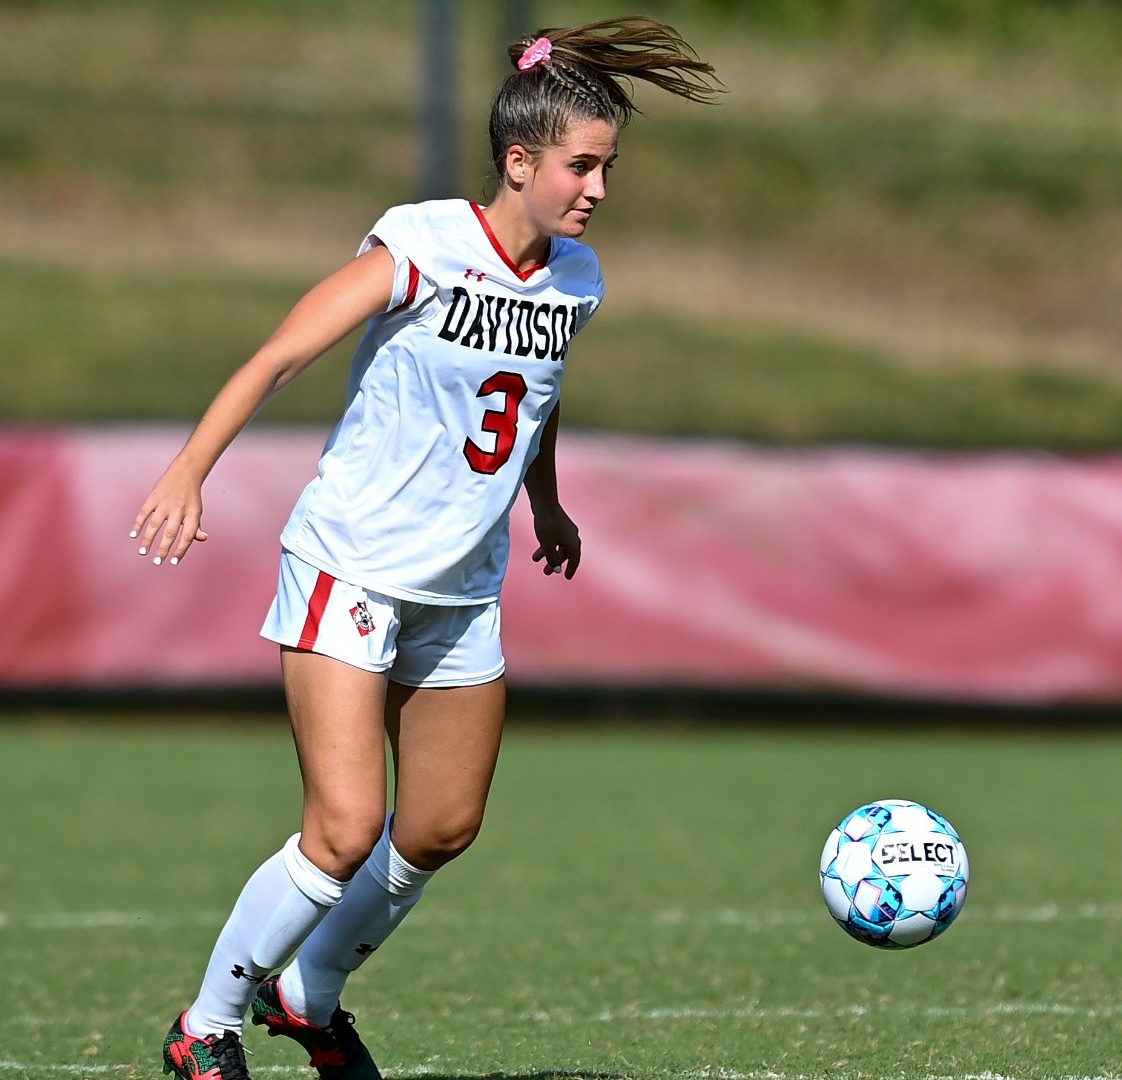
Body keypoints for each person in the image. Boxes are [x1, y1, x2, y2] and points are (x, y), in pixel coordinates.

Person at [129, 17, 722, 1080]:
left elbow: (534, 399)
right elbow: (280, 355)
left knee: (442, 824)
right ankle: (205, 1028)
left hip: (461, 586)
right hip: (351, 563)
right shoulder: (421, 245)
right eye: (580, 167)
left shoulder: (578, 279)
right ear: (519, 161)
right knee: (344, 827)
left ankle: (310, 996)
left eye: (608, 168)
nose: (596, 188)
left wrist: (544, 503)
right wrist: (188, 470)